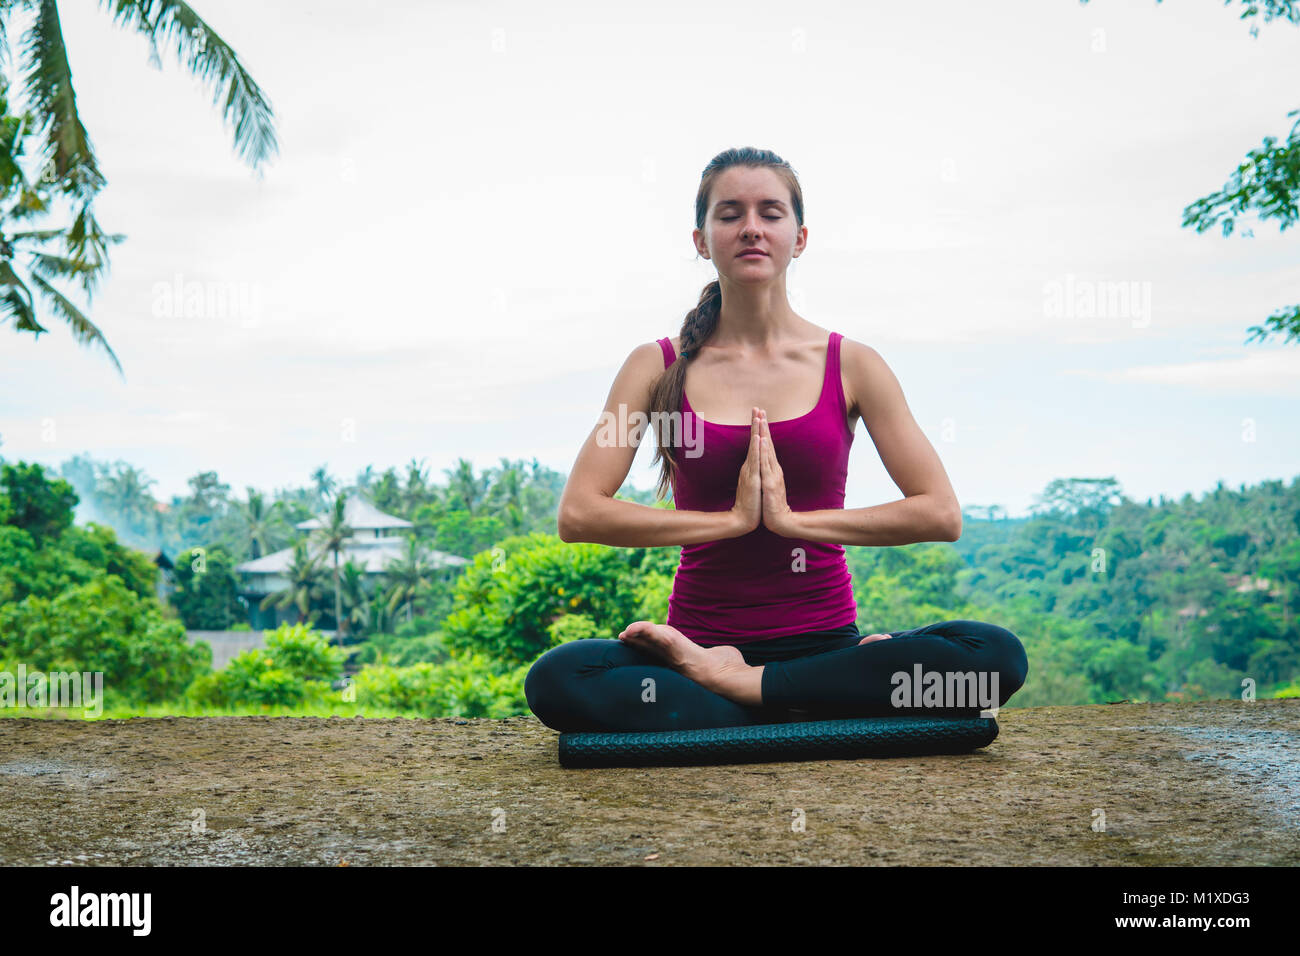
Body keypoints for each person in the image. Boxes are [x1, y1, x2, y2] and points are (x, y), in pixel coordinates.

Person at [525, 146, 1028, 733]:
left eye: (770, 212)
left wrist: (792, 522)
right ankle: (800, 697)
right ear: (700, 238)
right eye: (730, 213)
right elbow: (581, 514)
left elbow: (939, 514)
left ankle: (739, 692)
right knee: (559, 679)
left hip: (826, 644)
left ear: (801, 236)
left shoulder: (852, 364)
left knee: (992, 659)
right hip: (699, 647)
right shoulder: (655, 366)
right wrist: (732, 522)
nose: (751, 229)